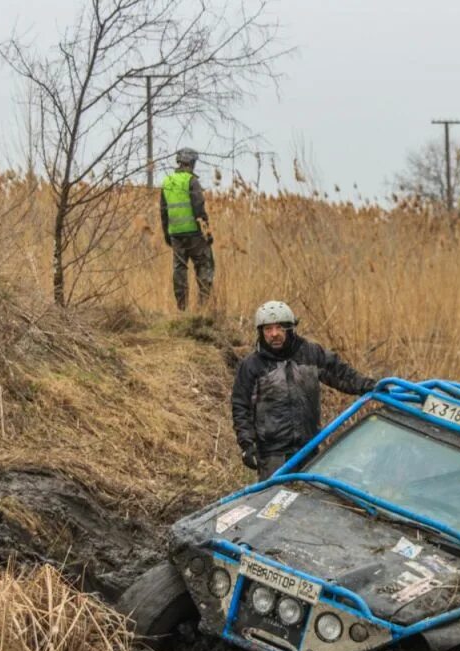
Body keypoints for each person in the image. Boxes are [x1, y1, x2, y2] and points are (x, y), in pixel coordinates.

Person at [232, 300, 378, 480]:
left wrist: (370, 386)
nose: (274, 334)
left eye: (279, 328)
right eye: (268, 329)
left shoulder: (311, 353)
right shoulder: (251, 365)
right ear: (261, 332)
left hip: (309, 449)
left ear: (290, 328)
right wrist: (247, 445)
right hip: (272, 456)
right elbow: (241, 407)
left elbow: (341, 375)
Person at [159, 148, 215, 312]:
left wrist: (166, 233)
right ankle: (203, 307)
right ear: (192, 163)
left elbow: (163, 211)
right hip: (195, 234)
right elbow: (199, 208)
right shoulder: (192, 181)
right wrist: (207, 232)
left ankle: (182, 308)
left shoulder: (167, 182)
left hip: (175, 233)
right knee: (204, 265)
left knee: (179, 269)